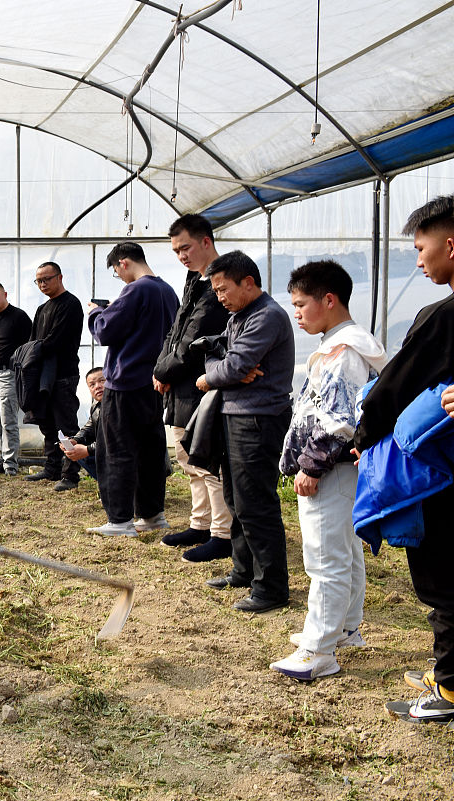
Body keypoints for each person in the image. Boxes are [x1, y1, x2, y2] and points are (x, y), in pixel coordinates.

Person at [355, 195, 454, 722]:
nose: (418, 261)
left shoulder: (444, 317)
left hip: (441, 474)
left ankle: (450, 691)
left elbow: (394, 388)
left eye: (420, 248)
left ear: (450, 246)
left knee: (444, 580)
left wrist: (364, 436)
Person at [269, 260, 385, 681]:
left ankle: (319, 650)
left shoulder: (343, 350)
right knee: (345, 551)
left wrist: (311, 466)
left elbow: (339, 420)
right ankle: (346, 628)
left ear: (329, 300)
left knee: (325, 560)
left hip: (330, 470)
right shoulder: (347, 343)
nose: (296, 313)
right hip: (342, 469)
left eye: (301, 304)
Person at [197, 251, 294, 613]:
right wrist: (220, 369)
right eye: (216, 291)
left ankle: (271, 589)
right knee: (236, 500)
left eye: (223, 289)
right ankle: (244, 570)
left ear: (248, 283)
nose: (219, 297)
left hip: (258, 419)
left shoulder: (267, 316)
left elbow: (233, 366)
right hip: (236, 414)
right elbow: (214, 352)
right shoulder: (239, 316)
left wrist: (214, 376)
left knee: (256, 504)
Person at [86, 243, 179, 537]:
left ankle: (120, 519)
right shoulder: (167, 291)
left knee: (117, 450)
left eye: (116, 271)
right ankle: (152, 514)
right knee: (150, 450)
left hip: (125, 382)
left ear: (123, 263)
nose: (120, 277)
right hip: (153, 382)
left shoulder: (136, 290)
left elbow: (105, 330)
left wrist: (96, 313)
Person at [155, 215, 234, 561]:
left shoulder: (218, 284)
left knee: (206, 463)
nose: (181, 256)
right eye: (176, 251)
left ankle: (222, 533)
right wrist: (161, 367)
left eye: (185, 248)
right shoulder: (194, 280)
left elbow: (193, 340)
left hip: (201, 385)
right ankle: (200, 524)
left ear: (206, 241)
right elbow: (176, 330)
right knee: (188, 460)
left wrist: (163, 369)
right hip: (180, 385)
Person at [26, 261, 85, 489]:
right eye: (38, 281)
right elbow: (34, 341)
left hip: (64, 374)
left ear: (60, 277)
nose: (42, 284)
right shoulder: (42, 308)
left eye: (46, 279)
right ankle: (52, 468)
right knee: (48, 424)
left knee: (66, 424)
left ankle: (71, 475)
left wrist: (34, 350)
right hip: (44, 375)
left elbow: (55, 341)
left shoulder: (70, 304)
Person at [0, 281, 31, 476]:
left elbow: (30, 347)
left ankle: (11, 464)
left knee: (8, 421)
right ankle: (5, 460)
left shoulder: (20, 317)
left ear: (5, 294)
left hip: (9, 374)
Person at [63, 366, 105, 481]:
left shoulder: (119, 405)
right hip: (105, 449)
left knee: (84, 453)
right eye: (92, 384)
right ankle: (107, 483)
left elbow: (115, 440)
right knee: (77, 452)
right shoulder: (96, 405)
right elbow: (88, 427)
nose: (97, 386)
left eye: (102, 381)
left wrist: (88, 450)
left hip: (125, 454)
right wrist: (74, 440)